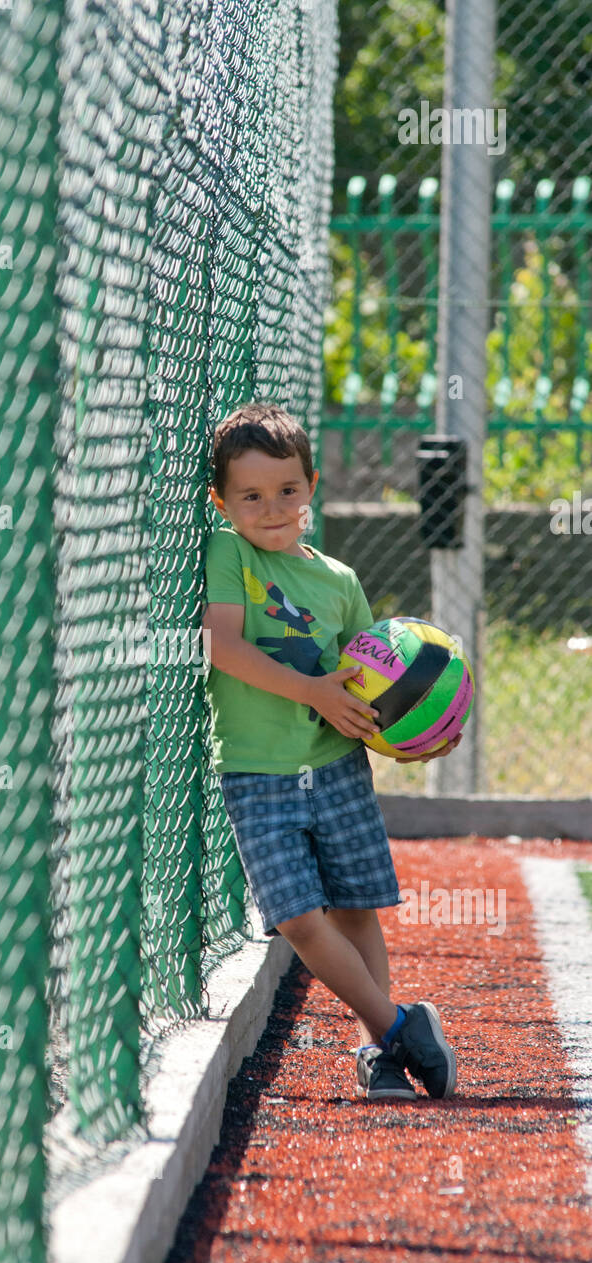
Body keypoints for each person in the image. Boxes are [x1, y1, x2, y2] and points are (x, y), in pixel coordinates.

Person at [202, 401, 460, 1101]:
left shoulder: (340, 581)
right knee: (296, 918)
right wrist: (311, 690)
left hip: (336, 767)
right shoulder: (230, 553)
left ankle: (382, 1054)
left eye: (288, 490)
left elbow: (369, 684)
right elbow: (221, 646)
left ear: (312, 485)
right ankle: (397, 1026)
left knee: (352, 907)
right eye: (250, 496)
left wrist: (412, 734)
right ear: (220, 501)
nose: (273, 507)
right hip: (256, 772)